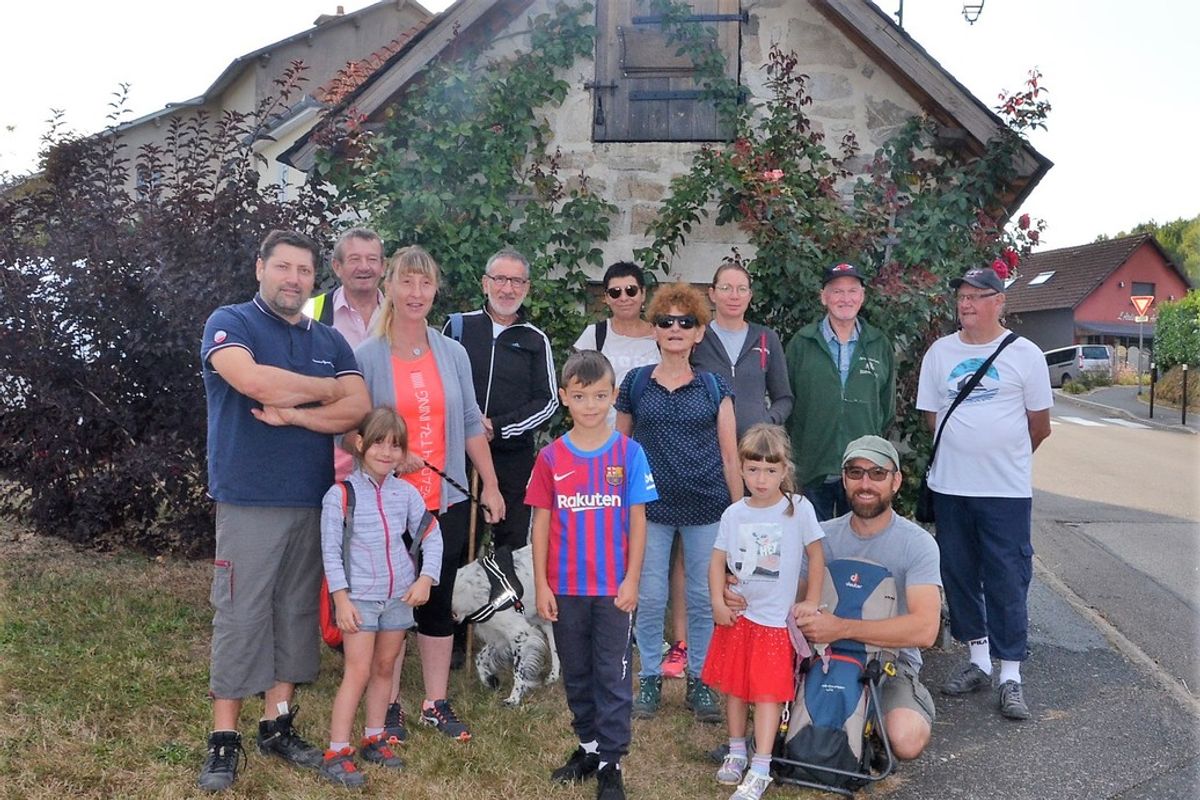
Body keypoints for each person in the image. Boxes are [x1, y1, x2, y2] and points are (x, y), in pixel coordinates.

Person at [197, 229, 371, 792]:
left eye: (303, 270)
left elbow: (359, 408)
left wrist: (293, 411)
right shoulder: (232, 322)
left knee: (295, 613)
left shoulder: (329, 338)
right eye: (284, 268)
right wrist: (324, 391)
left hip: (311, 498)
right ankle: (225, 739)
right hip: (249, 497)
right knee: (241, 611)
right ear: (260, 269)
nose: (294, 279)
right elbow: (248, 379)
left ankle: (277, 723)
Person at [353, 245, 506, 743]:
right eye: (406, 282)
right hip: (389, 504)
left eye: (425, 284)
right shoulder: (367, 357)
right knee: (394, 604)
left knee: (439, 601)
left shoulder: (452, 352)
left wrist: (492, 485)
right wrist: (394, 456)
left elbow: (467, 423)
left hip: (446, 503)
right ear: (390, 288)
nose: (416, 293)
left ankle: (435, 702)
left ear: (435, 290)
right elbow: (353, 433)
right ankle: (389, 702)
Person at [726, 435, 942, 764]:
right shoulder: (820, 537)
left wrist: (840, 628)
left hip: (888, 668)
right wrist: (741, 592)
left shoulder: (918, 545)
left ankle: (872, 727)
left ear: (896, 481)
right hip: (819, 661)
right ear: (843, 479)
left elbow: (925, 630)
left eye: (877, 474)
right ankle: (751, 743)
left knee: (907, 739)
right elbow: (787, 597)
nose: (865, 483)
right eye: (855, 473)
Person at [916, 265, 1052, 721]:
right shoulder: (940, 353)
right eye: (962, 296)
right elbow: (932, 418)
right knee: (959, 574)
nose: (967, 304)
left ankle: (1010, 674)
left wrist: (1001, 456)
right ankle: (977, 660)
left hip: (1005, 492)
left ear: (999, 303)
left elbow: (1040, 426)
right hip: (950, 487)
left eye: (978, 296)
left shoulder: (1026, 354)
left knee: (1008, 578)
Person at [529, 350, 657, 800]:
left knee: (612, 673)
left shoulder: (629, 453)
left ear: (614, 397)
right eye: (580, 396)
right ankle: (587, 747)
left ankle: (611, 763)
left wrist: (632, 579)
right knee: (578, 673)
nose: (589, 405)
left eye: (599, 395)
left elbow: (638, 521)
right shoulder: (550, 457)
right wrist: (543, 583)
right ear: (565, 397)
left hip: (612, 590)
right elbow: (541, 522)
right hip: (565, 589)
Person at [616, 282, 742, 724]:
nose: (675, 328)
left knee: (704, 598)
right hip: (648, 509)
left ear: (699, 332)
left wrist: (740, 514)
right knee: (649, 596)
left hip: (708, 505)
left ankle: (701, 681)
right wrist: (616, 505)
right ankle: (649, 676)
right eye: (666, 321)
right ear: (653, 329)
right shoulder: (634, 384)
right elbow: (621, 449)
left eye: (685, 322)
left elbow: (730, 455)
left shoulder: (713, 386)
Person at [318, 407, 444, 787]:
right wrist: (341, 599)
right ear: (360, 445)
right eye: (378, 443)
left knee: (385, 669)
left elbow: (430, 534)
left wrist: (425, 578)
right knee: (357, 671)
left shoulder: (405, 494)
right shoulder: (340, 495)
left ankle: (374, 737)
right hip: (359, 600)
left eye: (395, 445)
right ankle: (336, 751)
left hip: (398, 599)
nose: (387, 452)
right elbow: (330, 552)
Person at [704, 424, 825, 800]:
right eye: (753, 469)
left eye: (770, 471)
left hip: (773, 623)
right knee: (736, 689)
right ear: (741, 469)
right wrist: (718, 602)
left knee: (768, 694)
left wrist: (811, 599)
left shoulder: (798, 509)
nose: (761, 478)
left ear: (784, 470)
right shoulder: (733, 513)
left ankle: (761, 766)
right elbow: (717, 561)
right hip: (740, 617)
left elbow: (816, 555)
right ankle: (737, 750)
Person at [443, 248, 558, 588]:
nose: (507, 289)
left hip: (512, 458)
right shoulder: (459, 327)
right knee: (456, 537)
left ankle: (510, 626)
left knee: (510, 542)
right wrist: (467, 425)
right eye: (500, 279)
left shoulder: (535, 340)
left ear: (527, 287)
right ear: (485, 283)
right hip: (458, 455)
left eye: (516, 281)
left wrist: (499, 426)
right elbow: (440, 382)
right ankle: (450, 622)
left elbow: (548, 401)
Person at [784, 263, 895, 521]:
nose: (845, 299)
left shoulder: (879, 344)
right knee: (813, 547)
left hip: (864, 470)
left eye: (852, 291)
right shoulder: (802, 343)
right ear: (823, 296)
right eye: (837, 291)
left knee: (860, 546)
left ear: (862, 296)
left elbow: (886, 409)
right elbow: (788, 403)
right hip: (812, 468)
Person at [304, 227, 387, 481]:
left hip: (389, 463)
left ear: (383, 267)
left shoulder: (404, 318)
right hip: (326, 462)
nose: (365, 267)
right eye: (354, 259)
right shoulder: (309, 314)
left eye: (372, 259)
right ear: (337, 267)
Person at [692, 263, 794, 437]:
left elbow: (784, 398)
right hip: (705, 447)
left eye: (741, 289)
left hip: (753, 452)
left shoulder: (766, 338)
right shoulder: (696, 338)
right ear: (712, 294)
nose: (734, 296)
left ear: (750, 295)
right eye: (726, 288)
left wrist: (766, 423)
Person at [573, 261, 660, 421]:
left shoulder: (662, 336)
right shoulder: (594, 335)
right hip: (604, 435)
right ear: (606, 297)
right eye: (615, 292)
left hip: (652, 436)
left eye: (631, 291)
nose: (623, 298)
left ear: (643, 294)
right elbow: (578, 388)